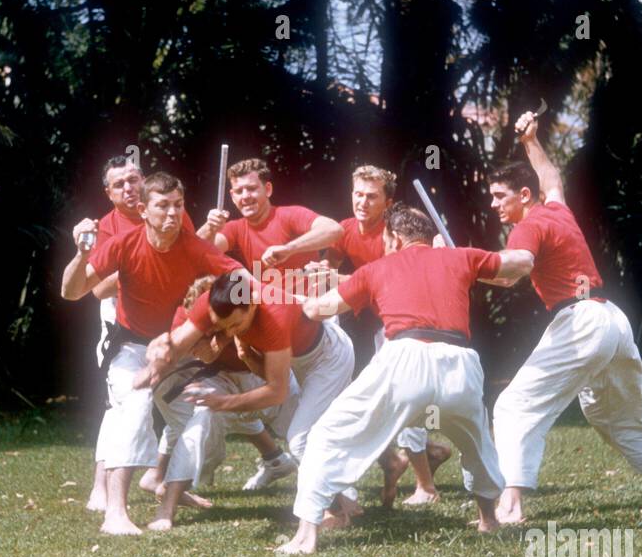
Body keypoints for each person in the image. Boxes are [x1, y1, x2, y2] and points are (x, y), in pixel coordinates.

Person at [275, 205, 516, 555]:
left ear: (395, 237)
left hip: (405, 360)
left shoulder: (379, 268)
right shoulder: (461, 256)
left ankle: (306, 535)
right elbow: (518, 264)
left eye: (386, 239)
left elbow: (316, 310)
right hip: (461, 365)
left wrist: (297, 297)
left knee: (325, 435)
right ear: (430, 238)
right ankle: (488, 519)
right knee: (478, 443)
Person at [488, 109, 642, 525]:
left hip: (580, 323)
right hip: (613, 320)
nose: (494, 205)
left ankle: (512, 502)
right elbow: (552, 176)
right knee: (610, 411)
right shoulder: (555, 209)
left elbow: (518, 265)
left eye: (500, 196)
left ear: (524, 196)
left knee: (512, 406)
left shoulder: (526, 227)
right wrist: (531, 141)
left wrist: (465, 265)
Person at [61, 172, 243, 535]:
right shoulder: (124, 243)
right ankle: (116, 512)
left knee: (202, 413)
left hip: (177, 348)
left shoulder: (194, 246)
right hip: (130, 347)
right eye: (163, 206)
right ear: (143, 210)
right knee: (135, 404)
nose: (172, 214)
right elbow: (72, 291)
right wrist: (82, 254)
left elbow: (241, 281)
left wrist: (220, 332)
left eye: (178, 205)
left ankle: (168, 494)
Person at [141, 269, 356, 504]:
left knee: (301, 440)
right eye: (223, 327)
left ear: (253, 304)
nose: (230, 332)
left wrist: (223, 403)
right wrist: (152, 366)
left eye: (236, 325)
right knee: (315, 432)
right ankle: (346, 496)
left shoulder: (275, 315)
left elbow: (277, 391)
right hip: (297, 360)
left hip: (327, 359)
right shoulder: (212, 301)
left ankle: (341, 506)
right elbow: (177, 344)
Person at [315, 165, 453, 506]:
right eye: (358, 194)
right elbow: (333, 276)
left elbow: (379, 278)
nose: (362, 202)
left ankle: (426, 487)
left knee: (403, 397)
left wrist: (337, 280)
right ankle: (414, 456)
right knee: (365, 400)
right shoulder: (344, 230)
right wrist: (320, 274)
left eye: (372, 196)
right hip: (368, 324)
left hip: (406, 325)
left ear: (388, 201)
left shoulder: (398, 232)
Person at [77, 157, 202, 511]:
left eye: (133, 180)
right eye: (119, 185)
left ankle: (162, 477)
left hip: (167, 318)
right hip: (121, 322)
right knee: (120, 404)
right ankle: (101, 488)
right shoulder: (107, 226)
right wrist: (141, 263)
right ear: (109, 194)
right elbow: (98, 289)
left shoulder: (172, 211)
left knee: (188, 407)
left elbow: (190, 259)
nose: (129, 189)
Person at [147, 276, 300, 530]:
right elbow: (196, 356)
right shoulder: (189, 319)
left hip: (265, 378)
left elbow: (273, 382)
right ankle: (167, 505)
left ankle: (338, 497)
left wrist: (245, 352)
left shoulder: (262, 315)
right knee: (201, 418)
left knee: (301, 432)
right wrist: (215, 341)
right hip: (221, 378)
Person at [201, 157, 343, 297]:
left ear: (268, 189)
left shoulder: (289, 215)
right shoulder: (235, 228)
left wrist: (289, 249)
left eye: (251, 188)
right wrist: (209, 227)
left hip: (309, 308)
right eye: (239, 191)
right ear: (232, 196)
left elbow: (334, 229)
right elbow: (195, 253)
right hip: (270, 308)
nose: (245, 196)